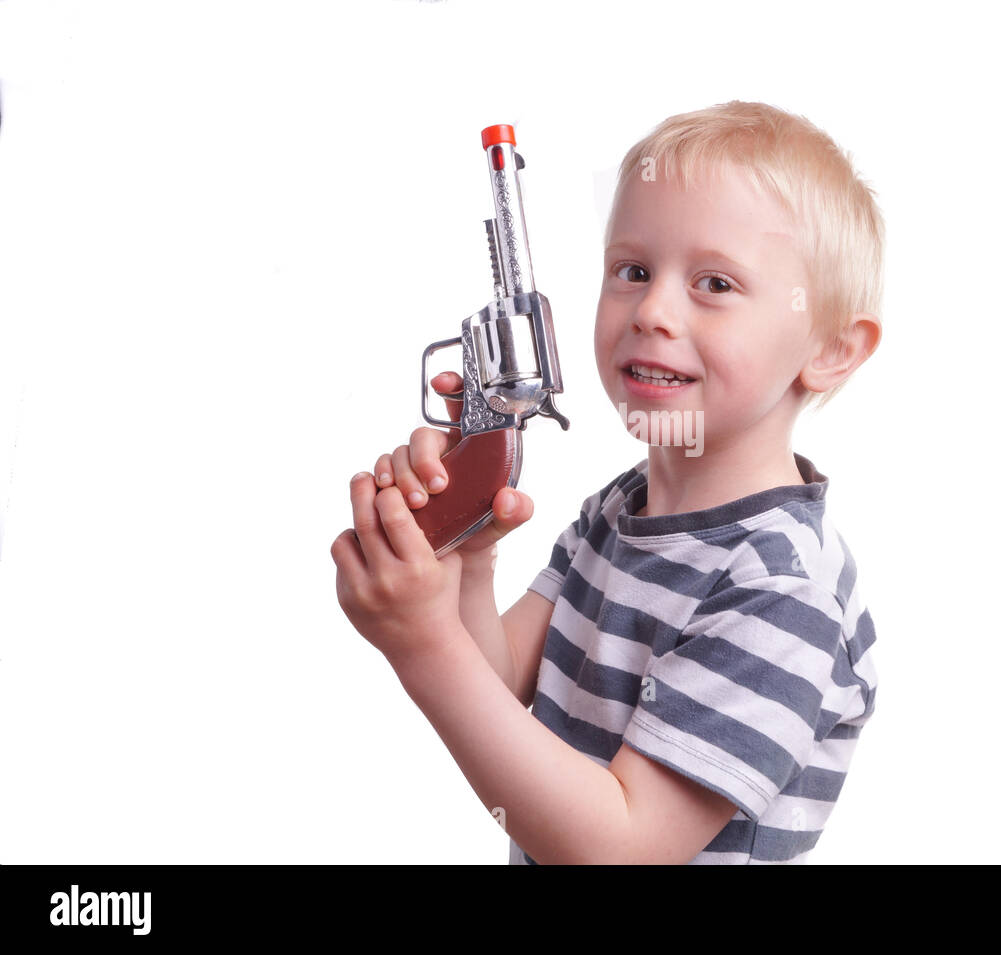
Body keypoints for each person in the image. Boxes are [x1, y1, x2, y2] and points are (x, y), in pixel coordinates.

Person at [331, 100, 884, 864]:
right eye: (632, 270)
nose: (651, 308)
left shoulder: (783, 591)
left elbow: (614, 848)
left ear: (830, 349)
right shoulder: (619, 512)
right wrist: (461, 560)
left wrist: (421, 646)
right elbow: (498, 679)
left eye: (715, 283)